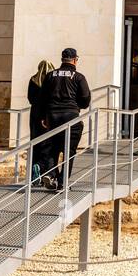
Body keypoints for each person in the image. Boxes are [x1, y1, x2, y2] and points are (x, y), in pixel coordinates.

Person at [40, 48, 90, 189]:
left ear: (62, 60)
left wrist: (44, 116)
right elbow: (86, 99)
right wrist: (77, 105)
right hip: (71, 117)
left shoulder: (50, 75)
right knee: (69, 151)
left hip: (52, 117)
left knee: (53, 148)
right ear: (75, 60)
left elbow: (42, 98)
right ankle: (62, 182)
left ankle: (51, 175)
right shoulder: (78, 77)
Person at [26, 59, 54, 185]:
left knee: (35, 143)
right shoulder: (51, 80)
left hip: (35, 115)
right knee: (48, 145)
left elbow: (30, 98)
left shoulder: (33, 80)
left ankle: (34, 176)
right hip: (47, 115)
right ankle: (44, 170)